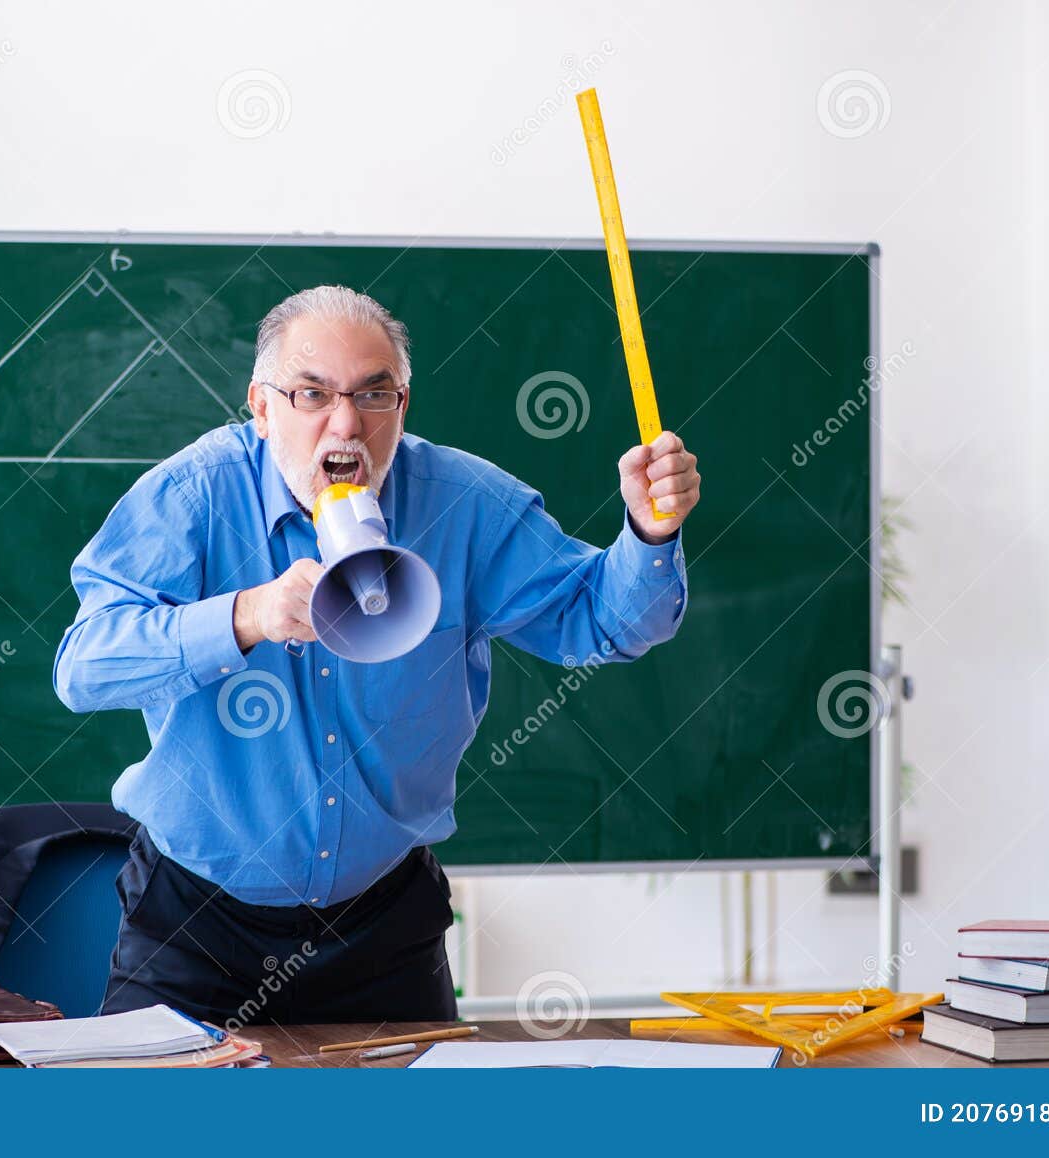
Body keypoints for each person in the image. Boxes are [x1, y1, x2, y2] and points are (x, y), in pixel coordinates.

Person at [54, 284, 700, 1026]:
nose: (346, 423)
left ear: (404, 406)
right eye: (312, 394)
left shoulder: (462, 502)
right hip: (197, 927)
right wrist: (247, 615)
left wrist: (650, 533)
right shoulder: (194, 496)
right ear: (262, 409)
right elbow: (84, 668)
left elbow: (603, 623)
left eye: (374, 394)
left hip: (383, 929)